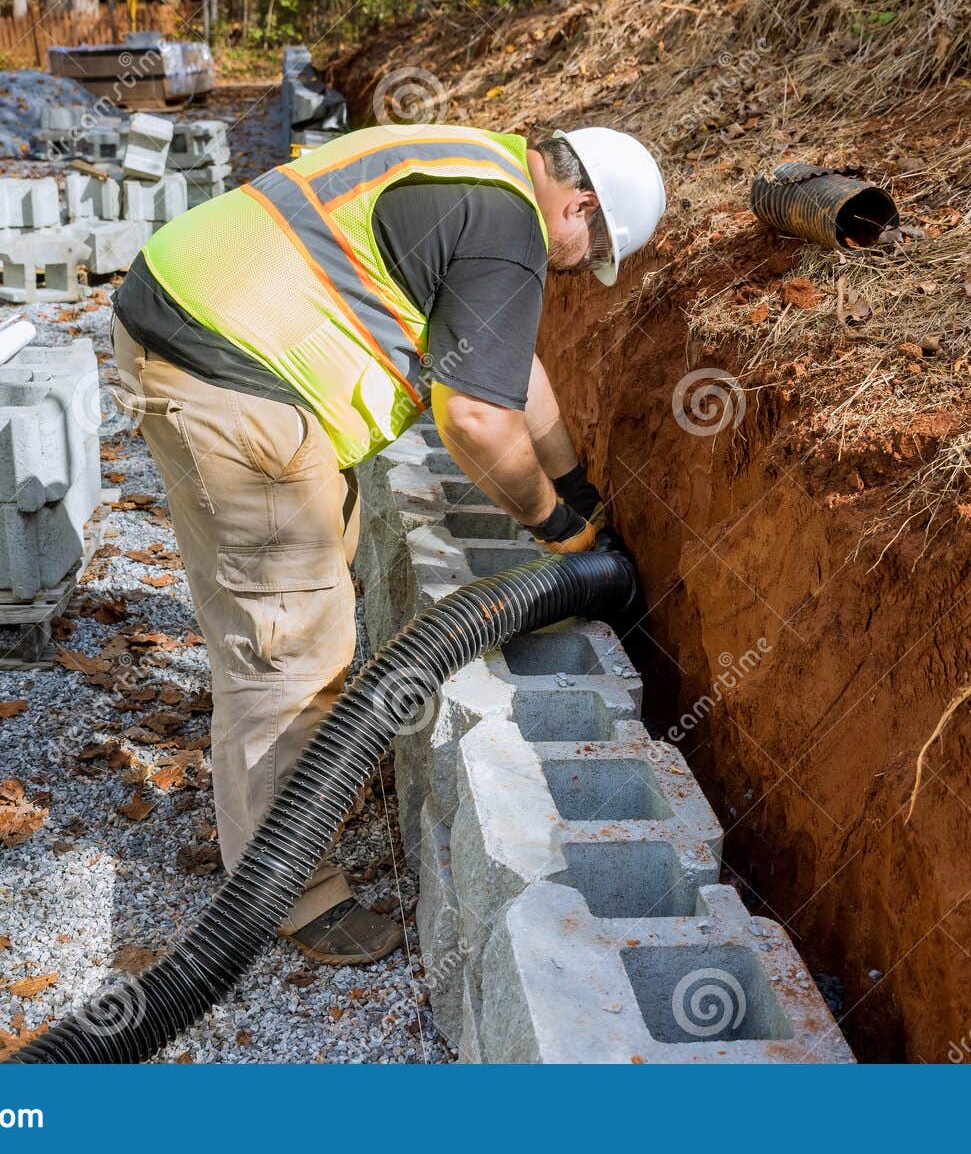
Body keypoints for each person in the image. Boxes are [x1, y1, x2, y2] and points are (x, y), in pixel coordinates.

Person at [110, 122, 666, 964]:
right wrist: (555, 525)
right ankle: (288, 893)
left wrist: (579, 487)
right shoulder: (510, 226)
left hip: (187, 320)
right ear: (580, 204)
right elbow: (476, 418)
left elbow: (516, 374)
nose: (580, 265)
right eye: (591, 249)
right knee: (289, 636)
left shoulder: (477, 164)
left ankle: (282, 792)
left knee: (305, 569)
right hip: (231, 373)